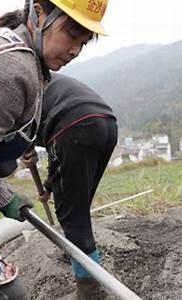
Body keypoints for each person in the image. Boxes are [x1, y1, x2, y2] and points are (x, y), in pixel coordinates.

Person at [0, 0, 108, 299]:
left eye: (84, 42)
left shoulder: (15, 55)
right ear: (39, 13)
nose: (75, 50)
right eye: (71, 34)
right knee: (6, 294)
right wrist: (5, 198)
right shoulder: (14, 68)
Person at [22, 73, 117, 299]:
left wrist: (24, 149)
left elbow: (14, 140)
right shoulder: (37, 78)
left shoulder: (15, 88)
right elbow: (60, 165)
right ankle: (79, 251)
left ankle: (89, 292)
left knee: (73, 220)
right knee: (78, 203)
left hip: (73, 126)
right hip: (105, 121)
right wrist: (48, 185)